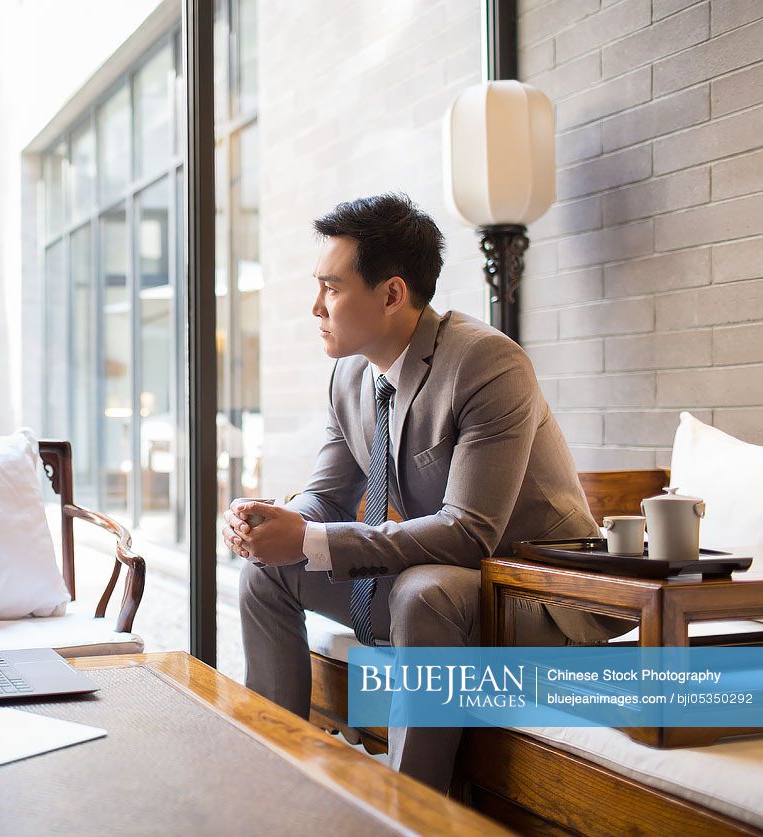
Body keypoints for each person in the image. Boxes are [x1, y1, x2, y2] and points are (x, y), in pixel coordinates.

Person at [224, 192, 624, 792]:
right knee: (264, 573)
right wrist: (271, 524)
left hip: (536, 593)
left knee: (422, 591)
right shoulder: (350, 375)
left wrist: (309, 539)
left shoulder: (487, 363)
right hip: (444, 585)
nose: (316, 307)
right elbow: (326, 496)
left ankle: (411, 811)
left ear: (392, 294)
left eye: (332, 288)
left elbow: (469, 533)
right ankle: (276, 785)